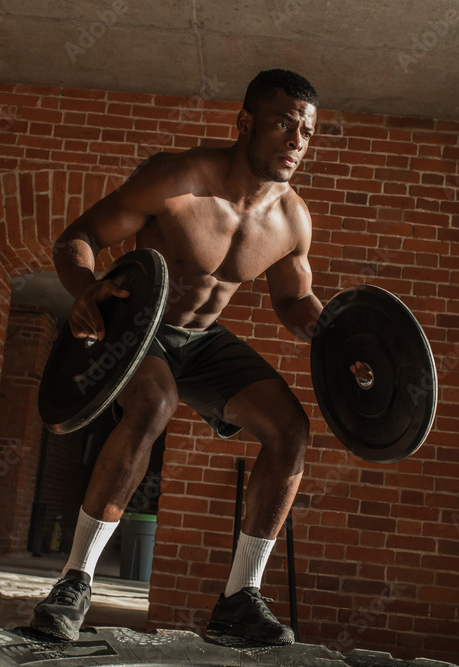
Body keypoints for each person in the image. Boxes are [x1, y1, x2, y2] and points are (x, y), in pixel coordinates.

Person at [33, 69, 363, 645]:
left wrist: (333, 333)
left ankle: (240, 599)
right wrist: (84, 286)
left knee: (290, 429)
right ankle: (74, 581)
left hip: (202, 340)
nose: (295, 142)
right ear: (245, 122)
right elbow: (79, 234)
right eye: (283, 123)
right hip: (135, 325)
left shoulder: (292, 220)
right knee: (155, 402)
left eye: (307, 132)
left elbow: (292, 300)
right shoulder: (175, 178)